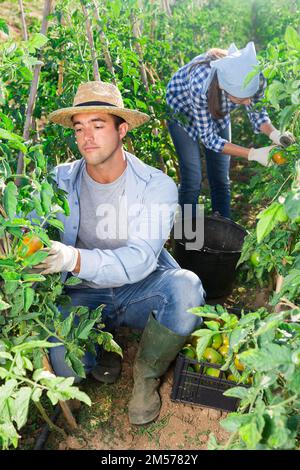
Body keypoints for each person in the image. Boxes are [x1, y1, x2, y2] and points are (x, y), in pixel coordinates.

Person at [34, 81, 205, 425]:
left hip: (140, 289)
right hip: (81, 292)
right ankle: (99, 351)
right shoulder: (60, 180)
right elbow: (31, 227)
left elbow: (141, 259)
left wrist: (73, 258)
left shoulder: (155, 185)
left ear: (121, 129)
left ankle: (147, 373)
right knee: (70, 368)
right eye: (79, 128)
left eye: (98, 126)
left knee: (187, 289)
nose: (87, 137)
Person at [166, 42, 295, 219]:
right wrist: (253, 154)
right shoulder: (200, 83)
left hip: (216, 112)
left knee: (220, 179)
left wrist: (275, 134)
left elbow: (258, 115)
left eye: (250, 97)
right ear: (224, 90)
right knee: (192, 179)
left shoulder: (255, 76)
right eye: (242, 99)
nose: (248, 102)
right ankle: (188, 239)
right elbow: (209, 138)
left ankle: (223, 234)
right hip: (182, 113)